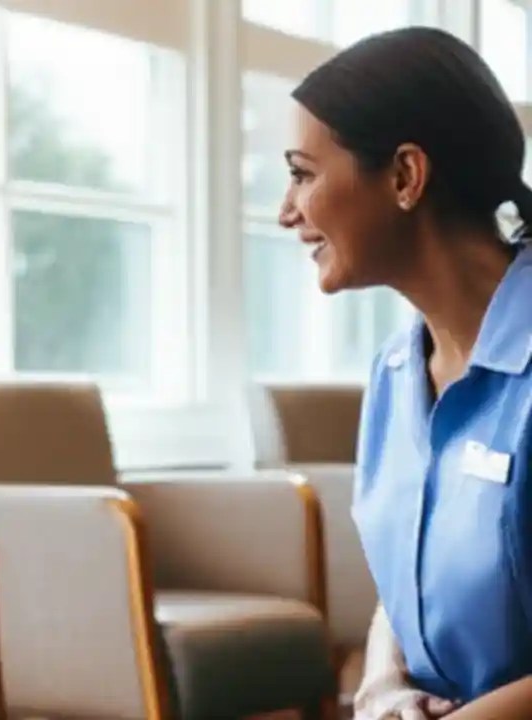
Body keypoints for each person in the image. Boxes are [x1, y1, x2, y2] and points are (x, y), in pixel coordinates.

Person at [278, 27, 532, 719]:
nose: (286, 211)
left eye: (302, 174)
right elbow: (411, 579)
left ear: (404, 176)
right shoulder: (394, 374)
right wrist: (384, 681)